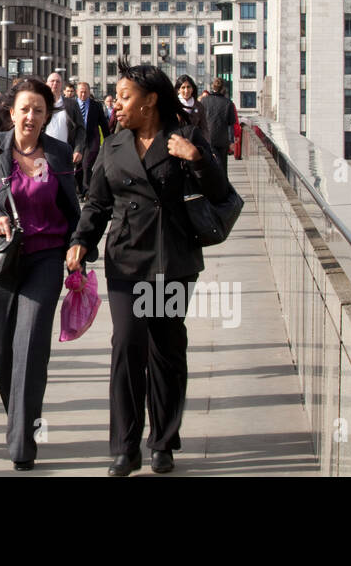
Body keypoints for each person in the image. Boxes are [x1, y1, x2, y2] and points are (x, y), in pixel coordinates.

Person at [69, 60, 233, 476]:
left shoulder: (186, 137)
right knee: (126, 345)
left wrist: (196, 159)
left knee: (167, 349)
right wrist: (81, 242)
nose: (117, 104)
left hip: (171, 260)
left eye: (126, 97)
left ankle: (163, 441)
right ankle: (125, 447)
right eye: (117, 97)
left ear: (151, 100)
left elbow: (220, 192)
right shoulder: (113, 145)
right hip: (126, 259)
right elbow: (98, 204)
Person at [0, 77, 81, 470]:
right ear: (11, 112)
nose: (31, 116)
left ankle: (22, 441)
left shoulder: (58, 154)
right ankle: (21, 416)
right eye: (25, 108)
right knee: (3, 352)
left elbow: (71, 205)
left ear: (48, 116)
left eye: (39, 110)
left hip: (45, 258)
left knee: (31, 348)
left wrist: (80, 247)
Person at [43, 72, 86, 171]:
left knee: (66, 184)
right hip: (44, 154)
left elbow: (80, 129)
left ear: (61, 85)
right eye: (52, 81)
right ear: (46, 84)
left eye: (58, 81)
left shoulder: (72, 104)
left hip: (66, 153)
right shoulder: (41, 104)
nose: (55, 84)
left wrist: (78, 150)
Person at [75, 81, 109, 197]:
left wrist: (108, 140)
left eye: (85, 92)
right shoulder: (72, 105)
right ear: (77, 92)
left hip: (92, 141)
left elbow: (104, 124)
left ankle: (87, 191)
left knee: (86, 165)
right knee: (78, 167)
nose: (83, 94)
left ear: (89, 92)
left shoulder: (96, 106)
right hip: (76, 142)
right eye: (81, 92)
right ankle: (80, 190)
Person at [197, 77, 237, 175]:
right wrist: (231, 141)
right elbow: (231, 124)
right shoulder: (228, 103)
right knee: (222, 167)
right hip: (222, 141)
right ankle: (223, 186)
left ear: (212, 87)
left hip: (206, 139)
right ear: (223, 88)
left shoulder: (204, 101)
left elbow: (198, 120)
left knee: (208, 167)